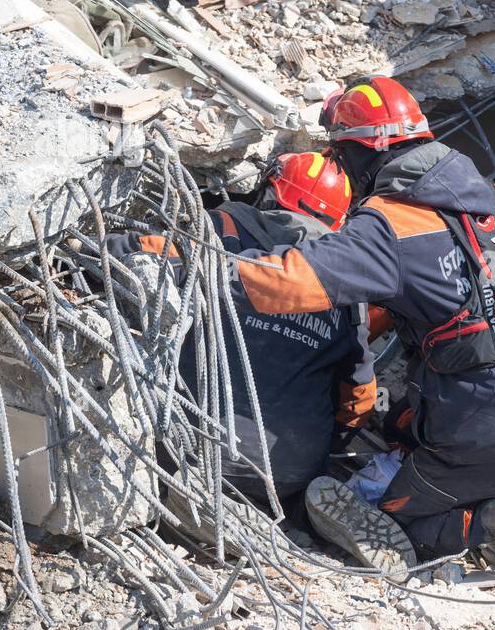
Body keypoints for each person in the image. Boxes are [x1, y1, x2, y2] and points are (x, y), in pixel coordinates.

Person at [230, 77, 495, 582]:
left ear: (363, 152)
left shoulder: (388, 224)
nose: (341, 170)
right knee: (410, 425)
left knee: (368, 507)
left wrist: (201, 261)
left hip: (492, 430)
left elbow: (288, 282)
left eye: (341, 156)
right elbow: (477, 295)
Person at [112, 151, 416, 574]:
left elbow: (136, 256)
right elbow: (359, 397)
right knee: (292, 487)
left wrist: (87, 246)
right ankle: (302, 517)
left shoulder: (220, 229)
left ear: (271, 189)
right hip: (291, 467)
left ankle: (193, 504)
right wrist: (333, 446)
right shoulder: (347, 286)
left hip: (196, 445)